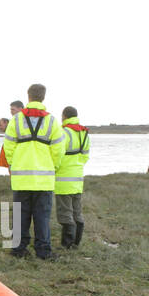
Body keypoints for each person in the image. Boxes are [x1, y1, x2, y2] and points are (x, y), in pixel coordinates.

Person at [3, 84, 64, 260]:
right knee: (42, 217)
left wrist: (15, 164)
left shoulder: (15, 120)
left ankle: (18, 249)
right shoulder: (52, 121)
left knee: (20, 215)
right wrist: (52, 166)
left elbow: (8, 146)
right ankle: (43, 251)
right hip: (44, 178)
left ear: (28, 97)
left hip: (21, 178)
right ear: (43, 97)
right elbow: (59, 149)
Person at [55, 106, 90, 249]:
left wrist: (56, 169)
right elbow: (85, 156)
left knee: (65, 213)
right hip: (77, 178)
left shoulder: (64, 133)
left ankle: (67, 244)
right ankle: (76, 242)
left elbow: (57, 155)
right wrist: (76, 166)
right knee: (77, 212)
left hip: (63, 179)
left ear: (64, 116)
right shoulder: (84, 133)